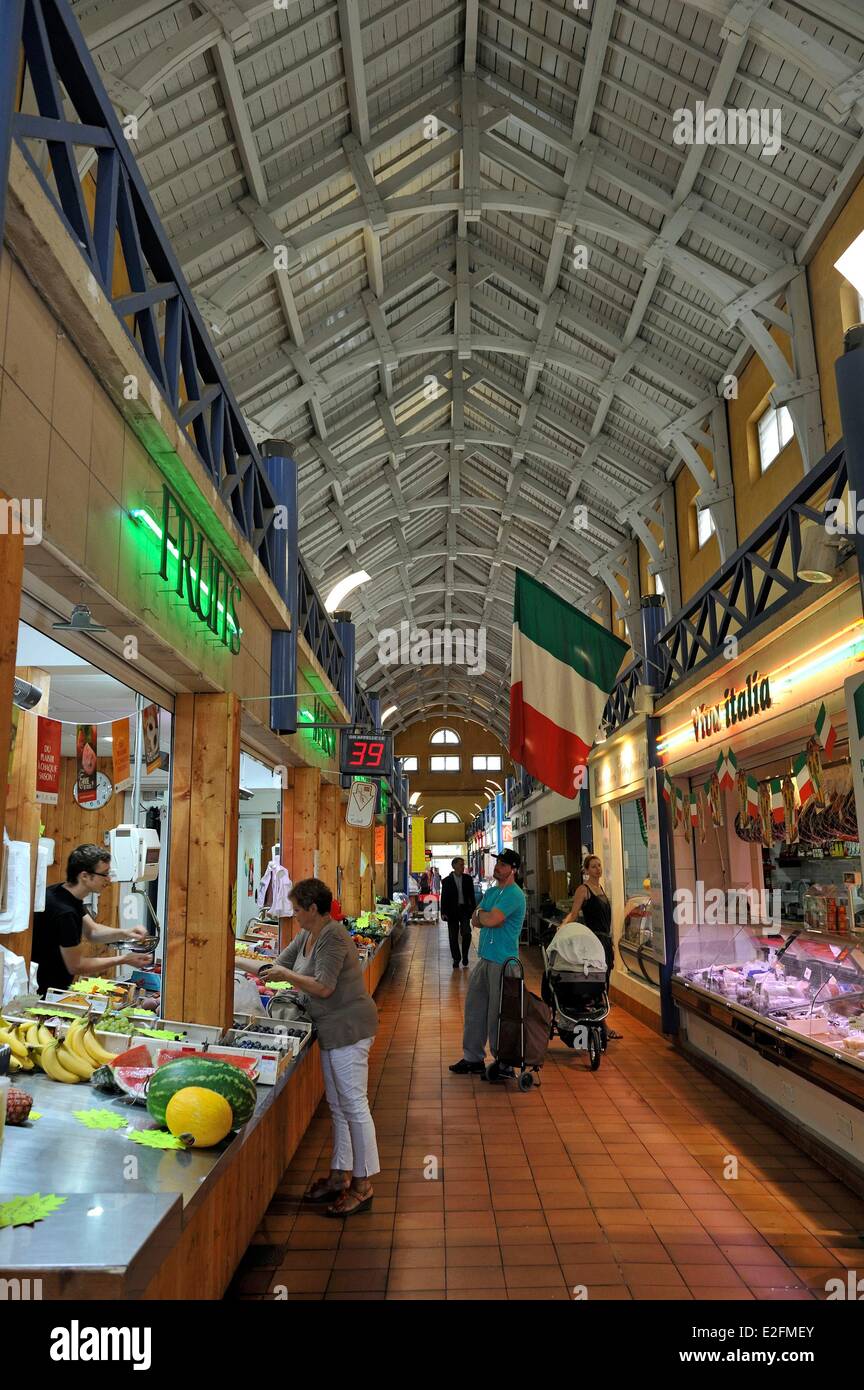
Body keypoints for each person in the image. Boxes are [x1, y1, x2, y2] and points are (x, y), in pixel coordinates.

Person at [258, 877, 380, 1217]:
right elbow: (278, 965)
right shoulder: (307, 934)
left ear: (313, 909)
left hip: (349, 1029)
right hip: (331, 1029)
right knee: (338, 1105)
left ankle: (363, 1184)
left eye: (297, 909)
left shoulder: (333, 936)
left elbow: (323, 987)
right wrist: (239, 965)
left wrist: (285, 975)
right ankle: (340, 1176)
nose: (294, 915)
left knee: (354, 1105)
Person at [31, 844, 153, 997]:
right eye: (104, 874)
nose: (108, 880)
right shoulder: (64, 913)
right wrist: (123, 959)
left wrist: (127, 932)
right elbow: (76, 966)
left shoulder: (62, 892)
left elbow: (92, 931)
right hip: (43, 992)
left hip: (51, 987)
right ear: (85, 876)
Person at [449, 848, 526, 1078]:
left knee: (498, 1014)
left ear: (513, 870)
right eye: (498, 863)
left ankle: (503, 1062)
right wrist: (485, 917)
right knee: (475, 1010)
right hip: (484, 959)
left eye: (503, 864)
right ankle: (473, 1058)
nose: (497, 867)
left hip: (504, 962)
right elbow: (476, 919)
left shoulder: (515, 895)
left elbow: (490, 919)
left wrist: (485, 917)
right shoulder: (492, 892)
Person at [561, 854, 622, 1041]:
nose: (598, 869)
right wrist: (562, 928)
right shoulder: (584, 889)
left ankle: (602, 1021)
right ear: (586, 870)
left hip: (605, 941)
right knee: (598, 983)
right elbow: (573, 913)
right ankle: (601, 1024)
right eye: (593, 866)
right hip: (594, 942)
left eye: (599, 865)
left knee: (606, 982)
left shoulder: (601, 889)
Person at [441, 856, 476, 969]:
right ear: (454, 866)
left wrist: (474, 910)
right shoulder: (446, 881)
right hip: (452, 911)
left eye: (463, 864)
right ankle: (456, 958)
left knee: (466, 933)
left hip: (464, 910)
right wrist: (443, 912)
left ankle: (465, 955)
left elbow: (472, 896)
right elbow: (444, 897)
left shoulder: (468, 879)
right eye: (461, 865)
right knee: (453, 936)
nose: (463, 867)